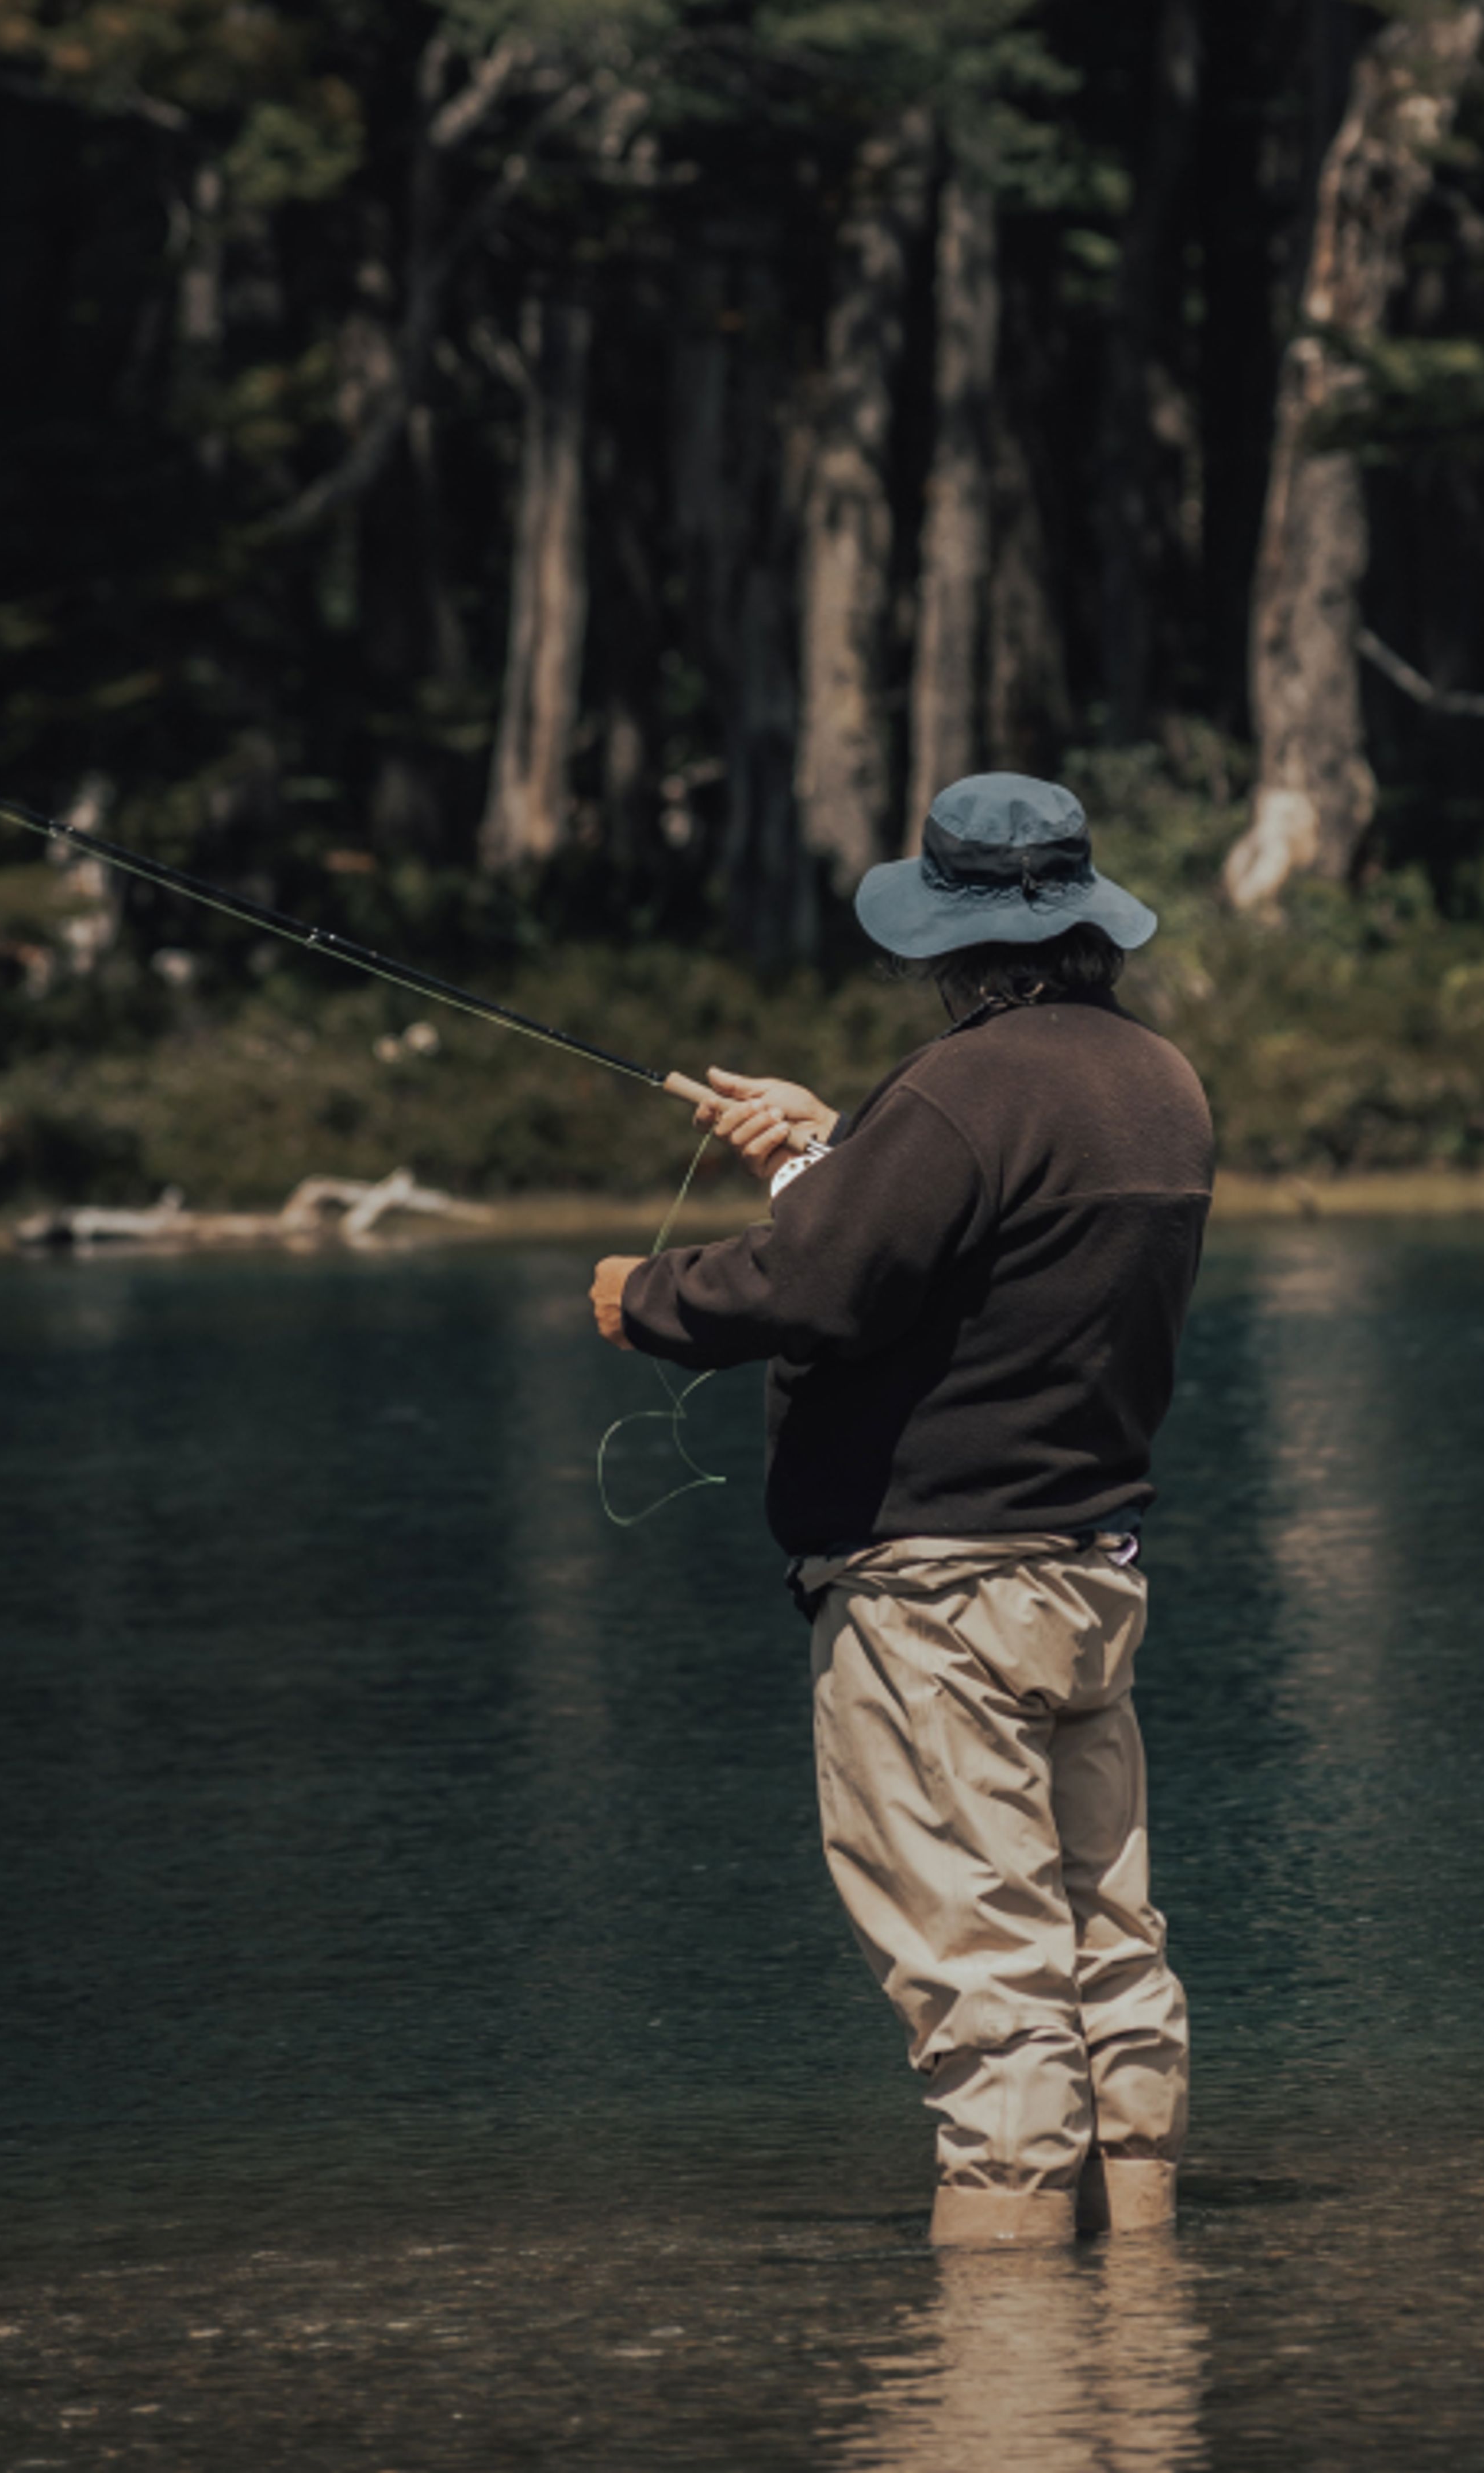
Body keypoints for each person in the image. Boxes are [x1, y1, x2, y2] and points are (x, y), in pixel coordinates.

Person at [588, 772, 1215, 2248]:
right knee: (1110, 1961)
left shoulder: (961, 1092)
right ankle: (1141, 2306)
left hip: (936, 1606)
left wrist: (645, 1297)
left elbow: (820, 1284)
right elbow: (977, 1255)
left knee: (988, 1988)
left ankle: (1002, 2343)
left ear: (949, 938)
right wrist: (837, 1149)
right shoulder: (1159, 1082)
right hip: (1086, 1582)